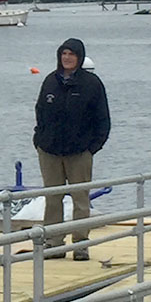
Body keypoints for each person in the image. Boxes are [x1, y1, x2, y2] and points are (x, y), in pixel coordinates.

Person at [32, 38, 110, 261]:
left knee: (80, 199)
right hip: (49, 151)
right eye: (64, 53)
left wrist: (92, 147)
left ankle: (81, 244)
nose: (67, 58)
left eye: (71, 54)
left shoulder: (92, 84)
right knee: (52, 199)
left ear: (79, 57)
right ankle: (54, 243)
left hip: (80, 152)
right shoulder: (50, 81)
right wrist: (39, 139)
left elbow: (102, 119)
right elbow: (40, 112)